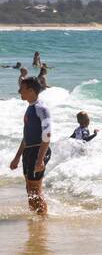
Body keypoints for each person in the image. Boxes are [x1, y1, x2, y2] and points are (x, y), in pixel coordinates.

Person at [9, 77, 51, 215]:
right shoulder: (30, 108)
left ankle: (42, 221)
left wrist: (40, 159)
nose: (19, 91)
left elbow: (47, 134)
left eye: (22, 89)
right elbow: (26, 136)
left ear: (31, 90)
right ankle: (35, 221)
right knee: (29, 189)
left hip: (38, 150)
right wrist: (17, 157)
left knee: (35, 190)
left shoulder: (41, 108)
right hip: (29, 151)